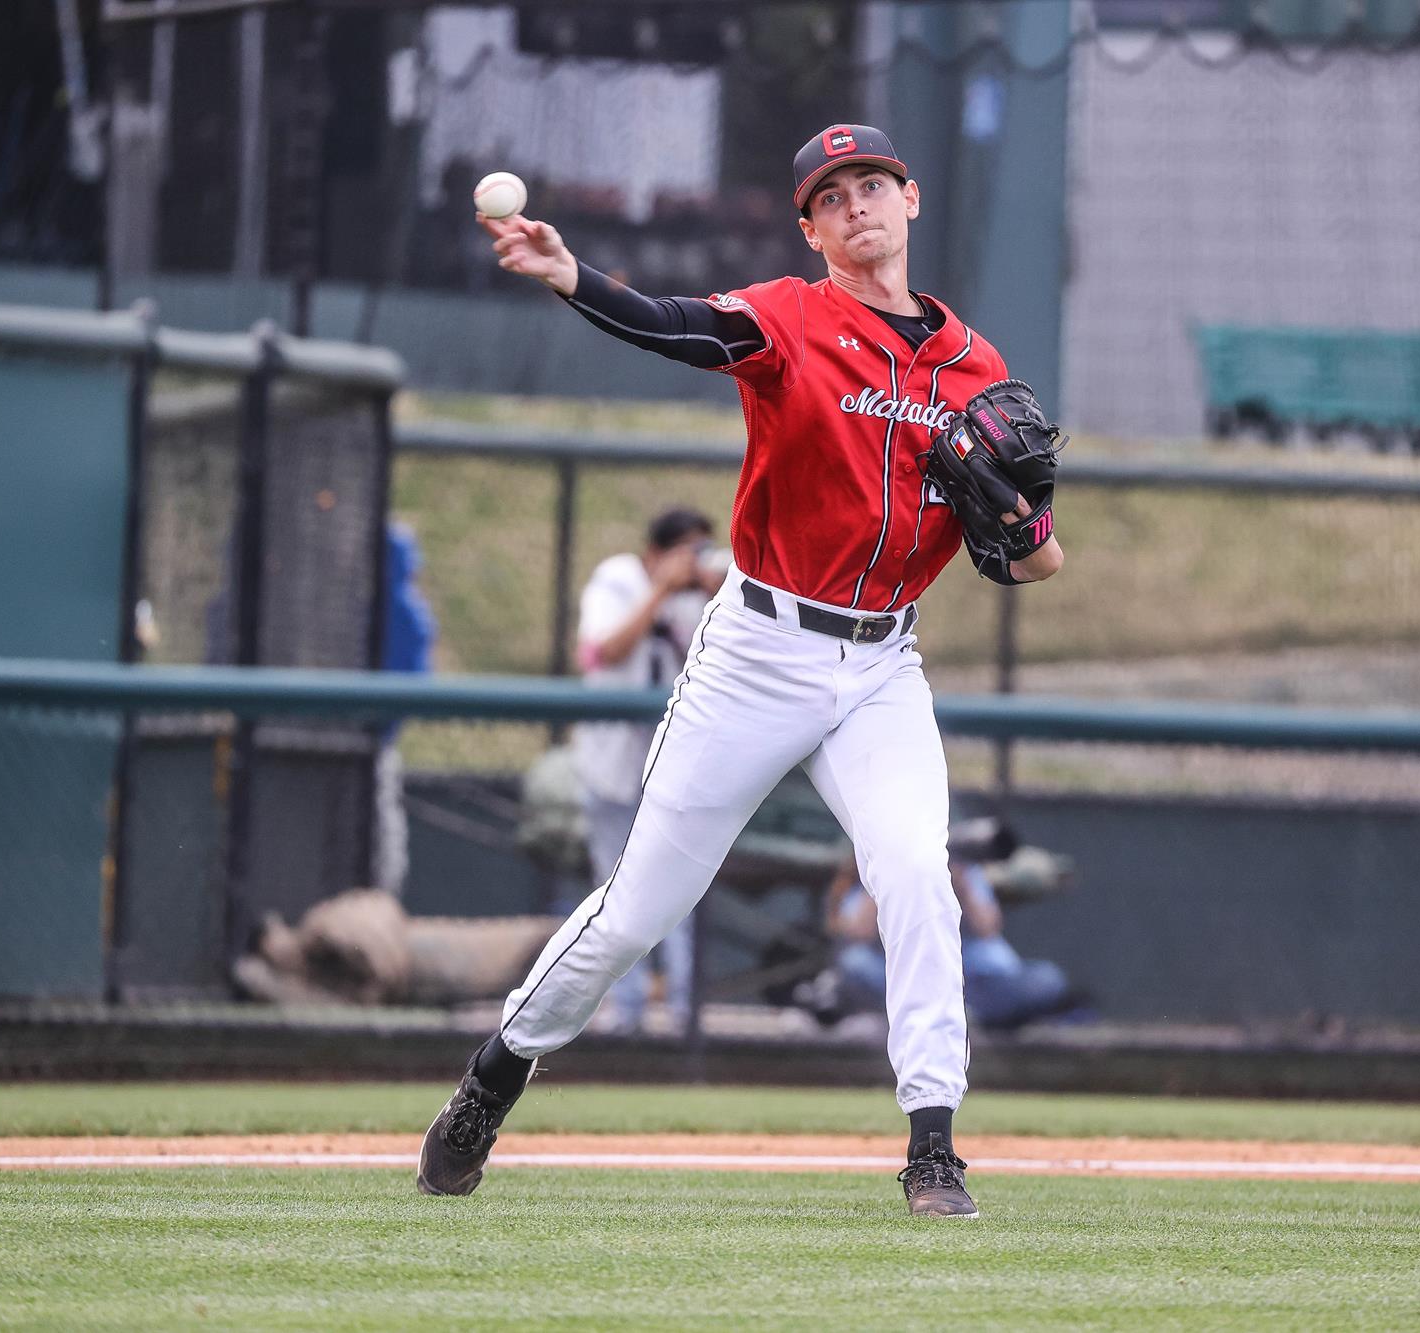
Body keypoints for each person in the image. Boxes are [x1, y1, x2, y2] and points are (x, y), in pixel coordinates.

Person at [417, 124, 1065, 1218]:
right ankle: (494, 1076)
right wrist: (571, 274)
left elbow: (1039, 556)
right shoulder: (787, 318)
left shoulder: (976, 371)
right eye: (831, 195)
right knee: (637, 912)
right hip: (759, 651)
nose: (855, 204)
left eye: (871, 184)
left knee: (915, 872)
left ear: (909, 200)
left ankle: (932, 1147)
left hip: (881, 662)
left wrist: (1011, 519)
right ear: (811, 229)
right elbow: (677, 327)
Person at [571, 507, 726, 1034]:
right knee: (615, 893)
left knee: (678, 890)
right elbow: (603, 651)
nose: (693, 561)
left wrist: (708, 589)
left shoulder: (706, 591)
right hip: (613, 767)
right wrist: (661, 590)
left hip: (678, 766)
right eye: (686, 551)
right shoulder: (618, 578)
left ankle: (684, 1020)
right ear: (656, 553)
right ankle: (625, 1017)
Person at [825, 852, 1078, 1033]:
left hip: (973, 980)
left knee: (1048, 978)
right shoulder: (883, 863)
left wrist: (959, 883)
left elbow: (987, 927)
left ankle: (962, 1015)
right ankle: (938, 1015)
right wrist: (892, 877)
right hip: (908, 976)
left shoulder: (965, 869)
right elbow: (859, 930)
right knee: (854, 963)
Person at [376, 521, 436, 897]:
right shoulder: (407, 614)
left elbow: (419, 682)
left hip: (377, 745)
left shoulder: (409, 614)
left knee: (385, 853)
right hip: (359, 745)